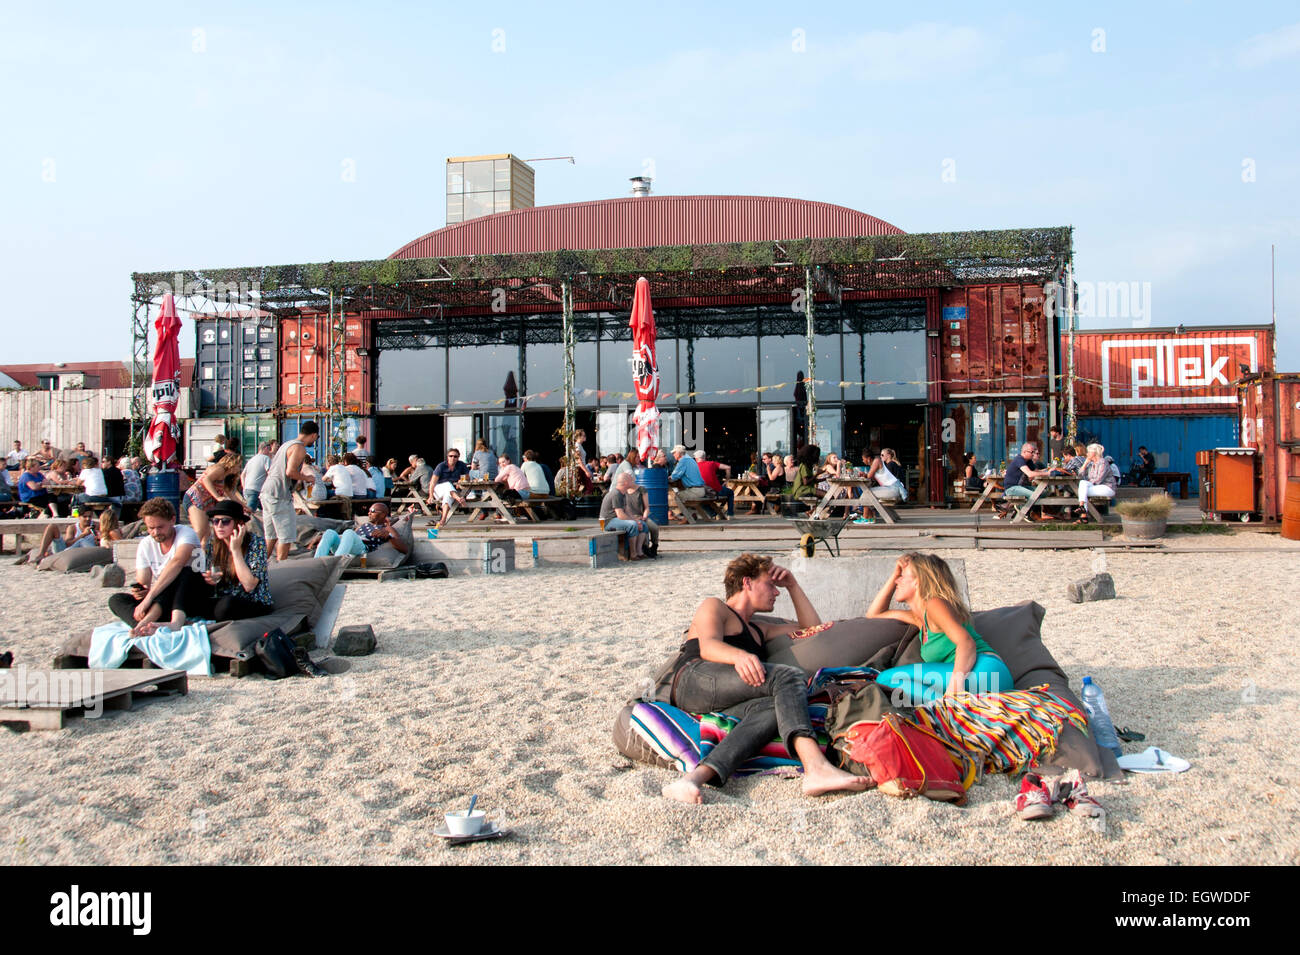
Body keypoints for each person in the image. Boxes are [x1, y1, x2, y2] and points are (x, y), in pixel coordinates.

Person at [661, 553, 870, 804]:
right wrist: (738, 656)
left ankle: (693, 779)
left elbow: (814, 630)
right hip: (692, 680)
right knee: (788, 676)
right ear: (747, 582)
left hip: (724, 697)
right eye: (770, 584)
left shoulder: (761, 629)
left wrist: (792, 585)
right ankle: (815, 766)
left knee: (778, 707)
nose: (776, 592)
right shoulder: (715, 606)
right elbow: (708, 647)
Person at [868, 553, 1013, 705]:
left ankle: (947, 706)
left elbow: (966, 643)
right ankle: (948, 707)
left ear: (919, 581)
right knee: (891, 683)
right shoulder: (920, 619)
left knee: (886, 679)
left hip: (985, 672)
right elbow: (874, 614)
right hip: (980, 679)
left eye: (902, 576)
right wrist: (895, 574)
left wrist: (954, 688)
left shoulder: (935, 604)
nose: (898, 580)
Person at [109, 497, 208, 634]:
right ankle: (147, 625)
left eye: (160, 527)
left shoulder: (186, 534)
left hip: (189, 595)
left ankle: (144, 625)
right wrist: (142, 592)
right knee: (117, 600)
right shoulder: (146, 544)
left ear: (172, 520)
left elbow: (177, 562)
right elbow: (144, 582)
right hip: (163, 601)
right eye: (151, 528)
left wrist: (149, 598)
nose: (155, 532)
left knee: (177, 575)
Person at [197, 500, 274, 620]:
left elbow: (249, 585)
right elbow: (208, 575)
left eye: (225, 521)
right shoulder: (213, 543)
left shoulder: (256, 543)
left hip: (251, 601)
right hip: (222, 596)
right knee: (187, 582)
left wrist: (236, 550)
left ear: (239, 523)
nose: (219, 526)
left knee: (226, 606)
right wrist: (208, 579)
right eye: (216, 521)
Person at [261, 421, 319, 561]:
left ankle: (260, 567)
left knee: (271, 536)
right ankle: (281, 569)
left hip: (267, 492)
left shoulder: (286, 445)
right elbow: (290, 472)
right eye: (315, 438)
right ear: (313, 435)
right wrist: (307, 478)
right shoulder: (299, 448)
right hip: (279, 494)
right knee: (285, 536)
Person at [183, 452, 243, 544]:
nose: (239, 469)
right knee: (200, 530)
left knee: (206, 534)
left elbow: (231, 494)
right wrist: (217, 497)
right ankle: (188, 552)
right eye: (238, 466)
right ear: (232, 463)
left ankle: (201, 556)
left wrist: (244, 506)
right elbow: (206, 480)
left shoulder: (225, 476)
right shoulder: (220, 469)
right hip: (195, 499)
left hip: (204, 503)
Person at [315, 502, 409, 559]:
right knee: (329, 533)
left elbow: (404, 549)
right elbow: (348, 539)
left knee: (349, 533)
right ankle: (316, 563)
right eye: (369, 511)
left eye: (372, 511)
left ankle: (335, 565)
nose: (369, 513)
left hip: (363, 548)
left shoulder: (387, 528)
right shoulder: (363, 525)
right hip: (348, 546)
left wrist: (389, 536)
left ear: (383, 514)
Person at [599, 471, 650, 559]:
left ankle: (639, 552)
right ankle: (632, 554)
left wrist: (637, 520)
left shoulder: (622, 493)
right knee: (632, 525)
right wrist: (634, 521)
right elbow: (620, 515)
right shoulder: (616, 494)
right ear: (626, 482)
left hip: (615, 519)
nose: (633, 481)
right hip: (607, 522)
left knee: (643, 525)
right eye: (631, 480)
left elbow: (627, 511)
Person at [994, 442, 1051, 519]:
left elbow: (1037, 471)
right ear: (1024, 452)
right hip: (1012, 488)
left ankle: (1020, 507)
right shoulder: (1019, 459)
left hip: (1021, 487)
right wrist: (1047, 473)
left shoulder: (1029, 461)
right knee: (1033, 495)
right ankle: (1024, 511)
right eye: (1032, 452)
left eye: (1034, 452)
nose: (1033, 454)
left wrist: (1049, 470)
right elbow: (1030, 474)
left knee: (1044, 492)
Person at [24, 510, 99, 565]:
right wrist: (83, 534)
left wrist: (98, 538)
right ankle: (41, 554)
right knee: (52, 527)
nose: (88, 519)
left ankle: (51, 555)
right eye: (85, 517)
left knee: (82, 541)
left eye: (89, 516)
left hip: (87, 551)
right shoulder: (73, 527)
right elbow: (67, 543)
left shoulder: (96, 526)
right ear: (79, 517)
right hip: (69, 550)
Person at [1073, 443, 1118, 524]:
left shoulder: (1103, 462)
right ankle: (1083, 511)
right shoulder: (1091, 464)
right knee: (1082, 486)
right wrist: (1085, 464)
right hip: (1096, 486)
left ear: (1094, 453)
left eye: (1089, 452)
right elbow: (1080, 475)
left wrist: (1088, 482)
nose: (1087, 454)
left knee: (1082, 490)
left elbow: (1098, 480)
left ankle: (1083, 514)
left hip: (1107, 487)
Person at [621, 471, 660, 558]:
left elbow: (646, 507)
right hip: (629, 517)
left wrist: (645, 516)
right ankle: (643, 548)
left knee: (654, 527)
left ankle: (654, 545)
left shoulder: (641, 489)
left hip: (641, 516)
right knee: (640, 528)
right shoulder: (623, 491)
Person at [428, 448, 470, 526]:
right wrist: (430, 496)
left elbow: (468, 478)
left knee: (448, 496)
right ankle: (459, 499)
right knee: (447, 484)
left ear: (458, 457)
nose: (453, 458)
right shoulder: (441, 466)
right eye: (451, 456)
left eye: (455, 456)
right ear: (447, 457)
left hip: (451, 491)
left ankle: (443, 520)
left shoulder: (461, 465)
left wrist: (461, 480)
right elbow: (432, 482)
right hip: (439, 489)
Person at [693, 450, 734, 515]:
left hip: (703, 493)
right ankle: (730, 514)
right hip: (716, 492)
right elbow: (728, 467)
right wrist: (727, 480)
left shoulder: (693, 467)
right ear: (705, 457)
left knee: (698, 498)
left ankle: (712, 513)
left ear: (696, 458)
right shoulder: (711, 463)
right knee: (731, 493)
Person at [240, 441, 275, 513]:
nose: (270, 452)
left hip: (247, 490)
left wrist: (244, 486)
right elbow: (270, 474)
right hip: (256, 490)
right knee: (249, 512)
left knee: (264, 510)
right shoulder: (266, 458)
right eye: (269, 449)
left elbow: (242, 475)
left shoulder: (251, 459)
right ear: (265, 448)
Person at [668, 444, 707, 509]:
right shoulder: (690, 459)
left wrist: (667, 478)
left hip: (695, 491)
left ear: (679, 453)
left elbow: (674, 476)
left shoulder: (683, 461)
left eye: (674, 453)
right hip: (700, 489)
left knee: (675, 497)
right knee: (681, 494)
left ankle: (685, 516)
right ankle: (687, 515)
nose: (673, 455)